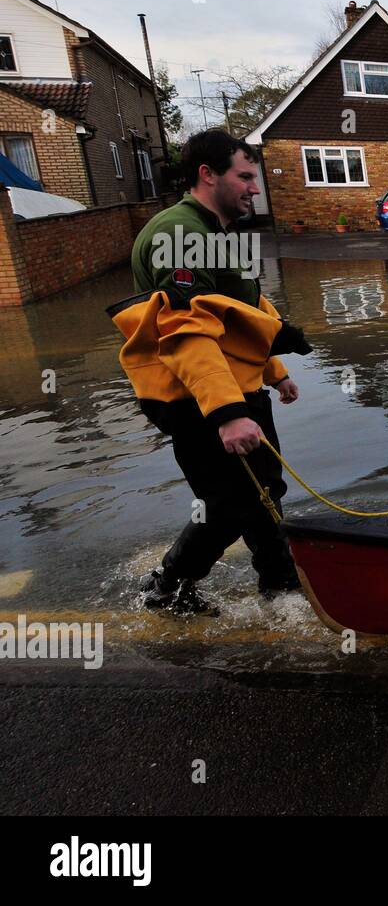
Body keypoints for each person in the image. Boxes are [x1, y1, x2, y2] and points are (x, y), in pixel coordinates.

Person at [109, 130, 312, 615]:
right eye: (244, 176)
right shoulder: (179, 234)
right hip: (200, 401)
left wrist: (273, 371)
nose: (254, 188)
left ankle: (281, 588)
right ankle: (164, 589)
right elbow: (185, 331)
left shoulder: (213, 233)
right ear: (207, 174)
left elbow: (240, 312)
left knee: (264, 493)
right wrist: (226, 414)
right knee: (228, 503)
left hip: (237, 393)